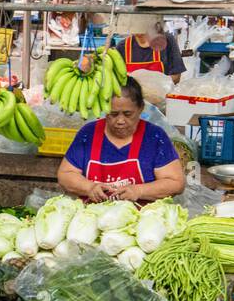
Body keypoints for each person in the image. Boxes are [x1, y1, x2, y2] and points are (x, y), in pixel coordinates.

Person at [57, 77, 185, 204]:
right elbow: (66, 174)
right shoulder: (88, 134)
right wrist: (89, 188)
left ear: (140, 108)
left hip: (142, 220)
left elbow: (175, 183)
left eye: (128, 114)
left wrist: (139, 191)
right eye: (113, 114)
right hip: (93, 219)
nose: (120, 121)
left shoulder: (154, 137)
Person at [121, 29, 186, 84]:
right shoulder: (123, 46)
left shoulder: (167, 40)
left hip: (161, 96)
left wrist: (156, 89)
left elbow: (176, 75)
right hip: (134, 97)